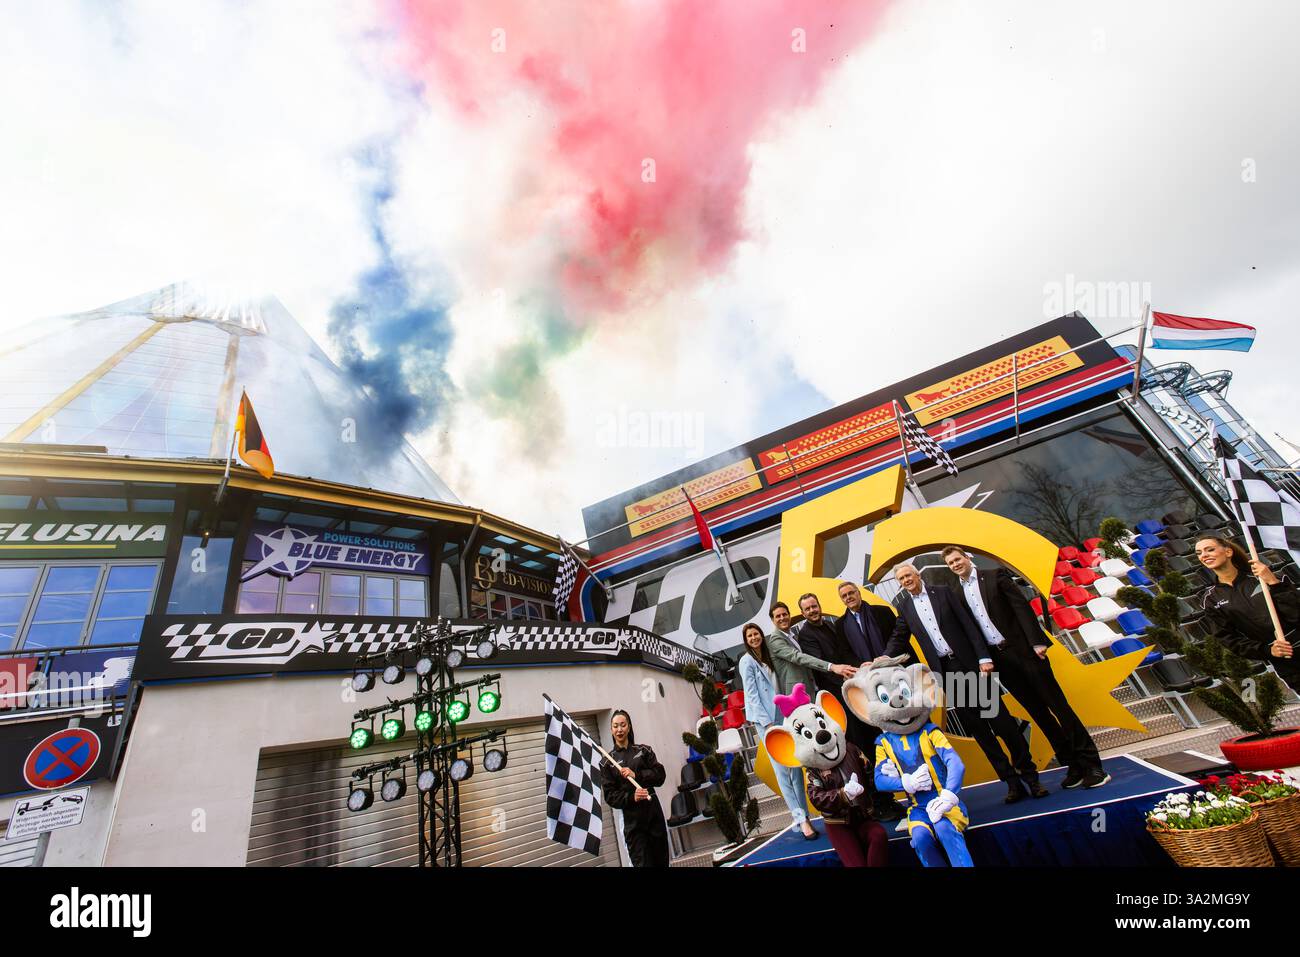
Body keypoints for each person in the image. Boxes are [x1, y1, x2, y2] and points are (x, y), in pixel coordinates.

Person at [941, 546, 1108, 789]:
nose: (955, 564)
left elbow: (1022, 608)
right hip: (1000, 661)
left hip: (1025, 652)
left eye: (957, 559)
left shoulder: (995, 575)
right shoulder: (956, 592)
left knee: (1059, 707)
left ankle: (1092, 765)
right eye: (950, 563)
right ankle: (1071, 765)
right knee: (1039, 715)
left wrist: (1037, 642)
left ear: (968, 558)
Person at [884, 563, 1048, 803]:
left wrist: (983, 656)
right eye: (901, 578)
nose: (906, 580)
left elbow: (969, 626)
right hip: (948, 674)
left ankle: (1031, 778)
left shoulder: (943, 592)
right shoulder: (905, 607)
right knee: (981, 733)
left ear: (917, 575)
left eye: (908, 575)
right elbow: (899, 636)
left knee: (1003, 724)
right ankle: (1012, 783)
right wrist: (883, 658)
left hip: (972, 666)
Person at [796, 592, 902, 820]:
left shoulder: (832, 625)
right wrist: (848, 680)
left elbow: (846, 655)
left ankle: (887, 799)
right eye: (808, 609)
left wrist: (859, 670)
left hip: (854, 694)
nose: (813, 610)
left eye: (815, 606)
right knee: (861, 749)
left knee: (874, 745)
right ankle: (878, 804)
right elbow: (825, 669)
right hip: (839, 700)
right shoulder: (806, 635)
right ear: (803, 613)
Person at [737, 623, 818, 839]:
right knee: (782, 771)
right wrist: (767, 723)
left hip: (783, 715)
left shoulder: (768, 656)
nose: (754, 638)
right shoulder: (747, 661)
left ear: (761, 636)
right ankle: (800, 820)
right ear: (746, 639)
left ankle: (806, 816)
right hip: (767, 722)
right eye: (750, 635)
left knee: (796, 766)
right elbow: (751, 694)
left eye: (756, 634)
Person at [1195, 535, 1300, 694]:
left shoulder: (1265, 577)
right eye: (1199, 553)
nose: (1204, 555)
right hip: (1286, 662)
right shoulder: (1210, 600)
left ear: (1228, 552)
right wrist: (1267, 650)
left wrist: (1274, 583)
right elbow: (1229, 640)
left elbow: (1296, 613)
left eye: (1210, 549)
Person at [600, 710, 670, 866]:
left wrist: (636, 775)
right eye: (615, 726)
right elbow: (610, 796)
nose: (619, 730)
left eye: (623, 725)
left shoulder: (644, 751)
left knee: (662, 862)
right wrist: (632, 797)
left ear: (629, 727)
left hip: (654, 816)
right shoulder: (607, 762)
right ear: (611, 730)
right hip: (632, 823)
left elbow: (660, 775)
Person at [767, 600, 857, 696]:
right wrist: (832, 666)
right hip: (795, 693)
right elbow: (797, 657)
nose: (782, 618)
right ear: (772, 620)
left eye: (784, 614)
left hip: (810, 688)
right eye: (778, 616)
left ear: (789, 615)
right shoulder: (775, 639)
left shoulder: (792, 636)